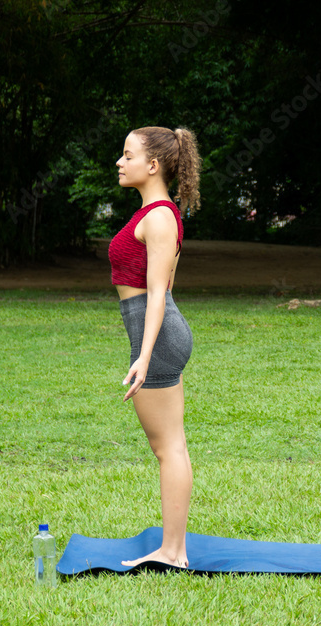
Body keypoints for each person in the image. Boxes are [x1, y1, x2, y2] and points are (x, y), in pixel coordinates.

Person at [108, 125, 201, 570]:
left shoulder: (160, 216)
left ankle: (173, 552)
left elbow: (159, 294)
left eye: (128, 155)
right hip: (157, 334)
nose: (120, 162)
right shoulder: (153, 213)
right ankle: (174, 548)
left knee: (169, 449)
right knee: (172, 446)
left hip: (158, 338)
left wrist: (144, 358)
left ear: (153, 165)